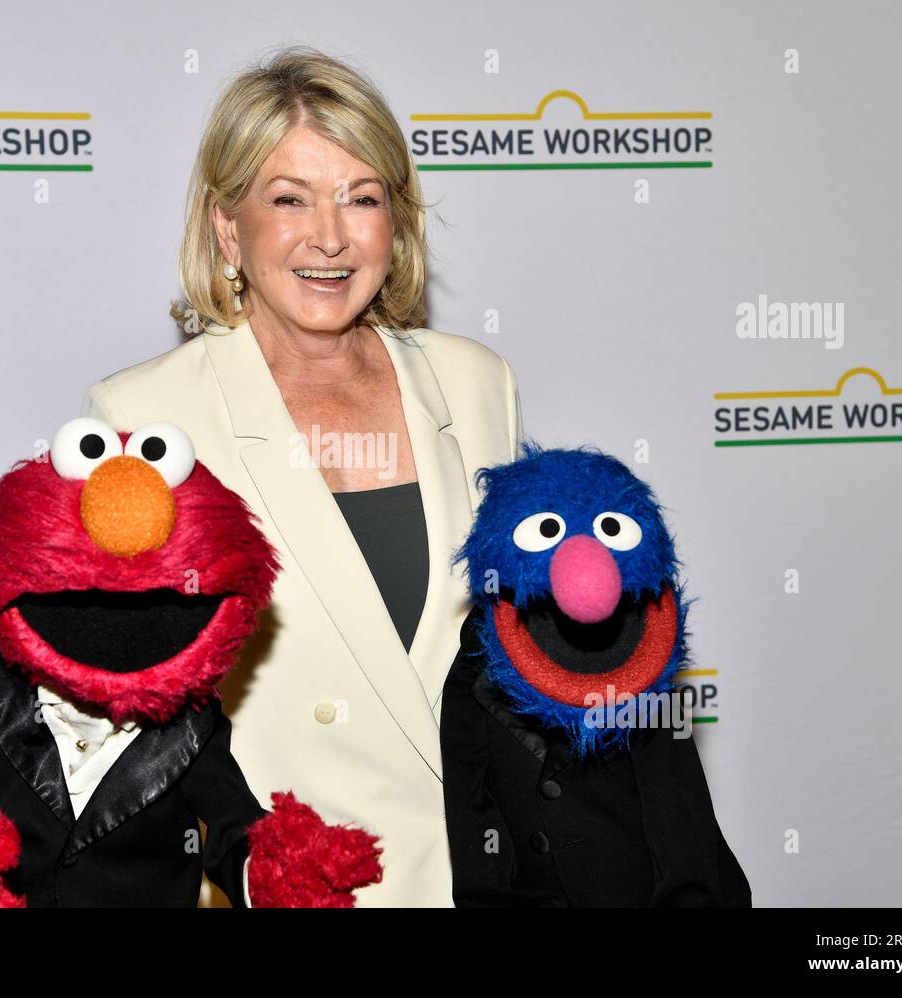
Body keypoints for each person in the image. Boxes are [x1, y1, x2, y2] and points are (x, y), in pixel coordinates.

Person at [79, 45, 522, 906]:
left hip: (487, 877)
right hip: (292, 889)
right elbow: (122, 733)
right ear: (226, 227)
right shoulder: (144, 422)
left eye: (362, 198)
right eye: (290, 200)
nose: (330, 235)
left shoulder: (476, 384)